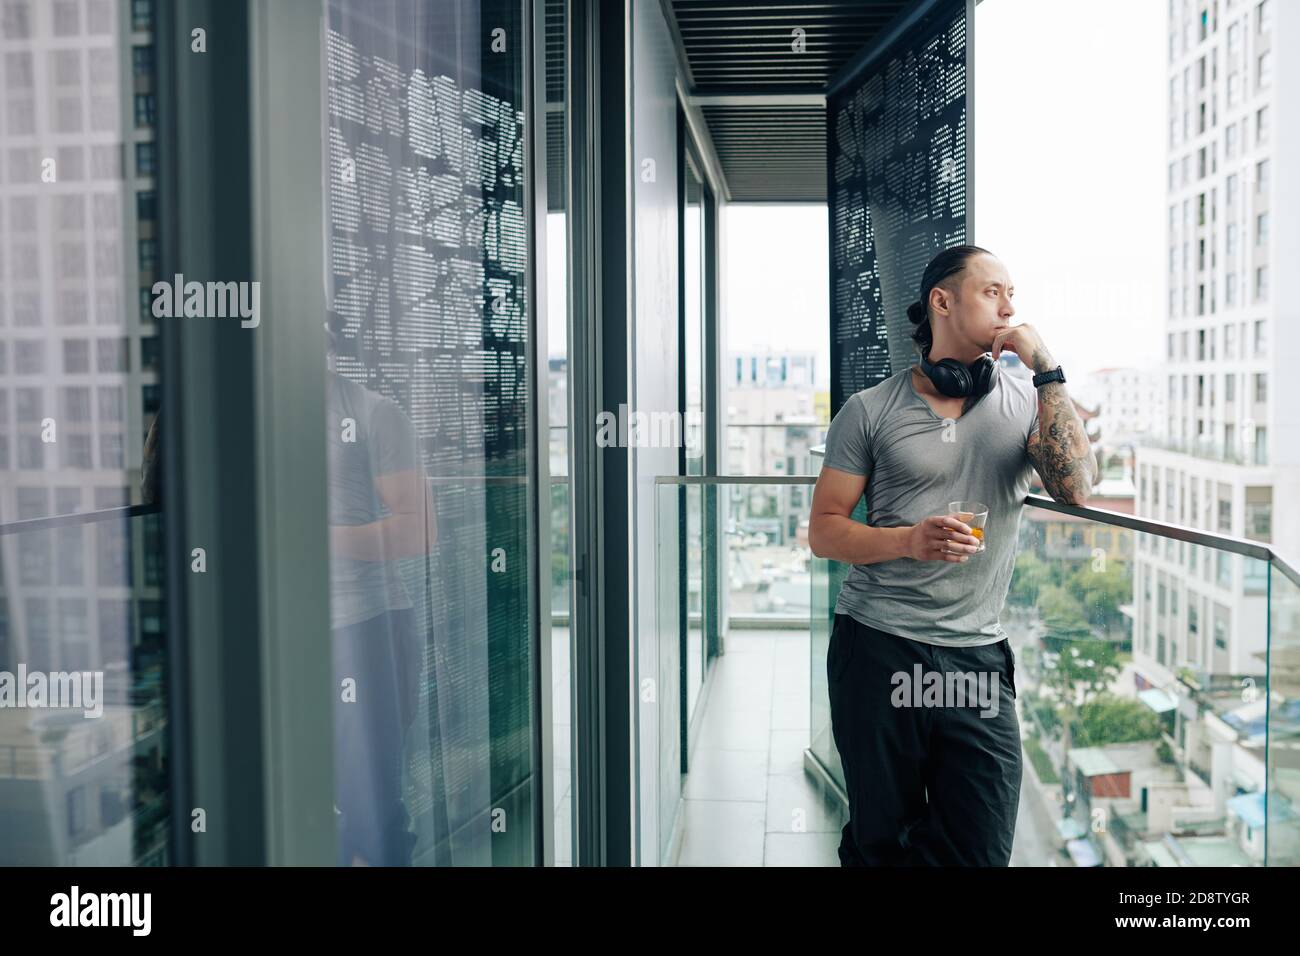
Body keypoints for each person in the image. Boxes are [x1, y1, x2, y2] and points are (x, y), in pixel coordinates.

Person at [809, 245, 1096, 866]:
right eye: (993, 291)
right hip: (878, 646)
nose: (1010, 305)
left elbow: (1076, 488)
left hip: (977, 655)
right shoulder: (869, 410)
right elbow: (825, 532)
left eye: (1013, 293)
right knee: (881, 839)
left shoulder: (1026, 403)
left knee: (981, 849)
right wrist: (908, 540)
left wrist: (1045, 366)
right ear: (942, 300)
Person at [326, 317, 436, 866]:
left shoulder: (371, 412)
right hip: (285, 638)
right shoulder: (249, 416)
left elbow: (419, 528)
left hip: (365, 629)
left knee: (372, 814)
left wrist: (313, 542)